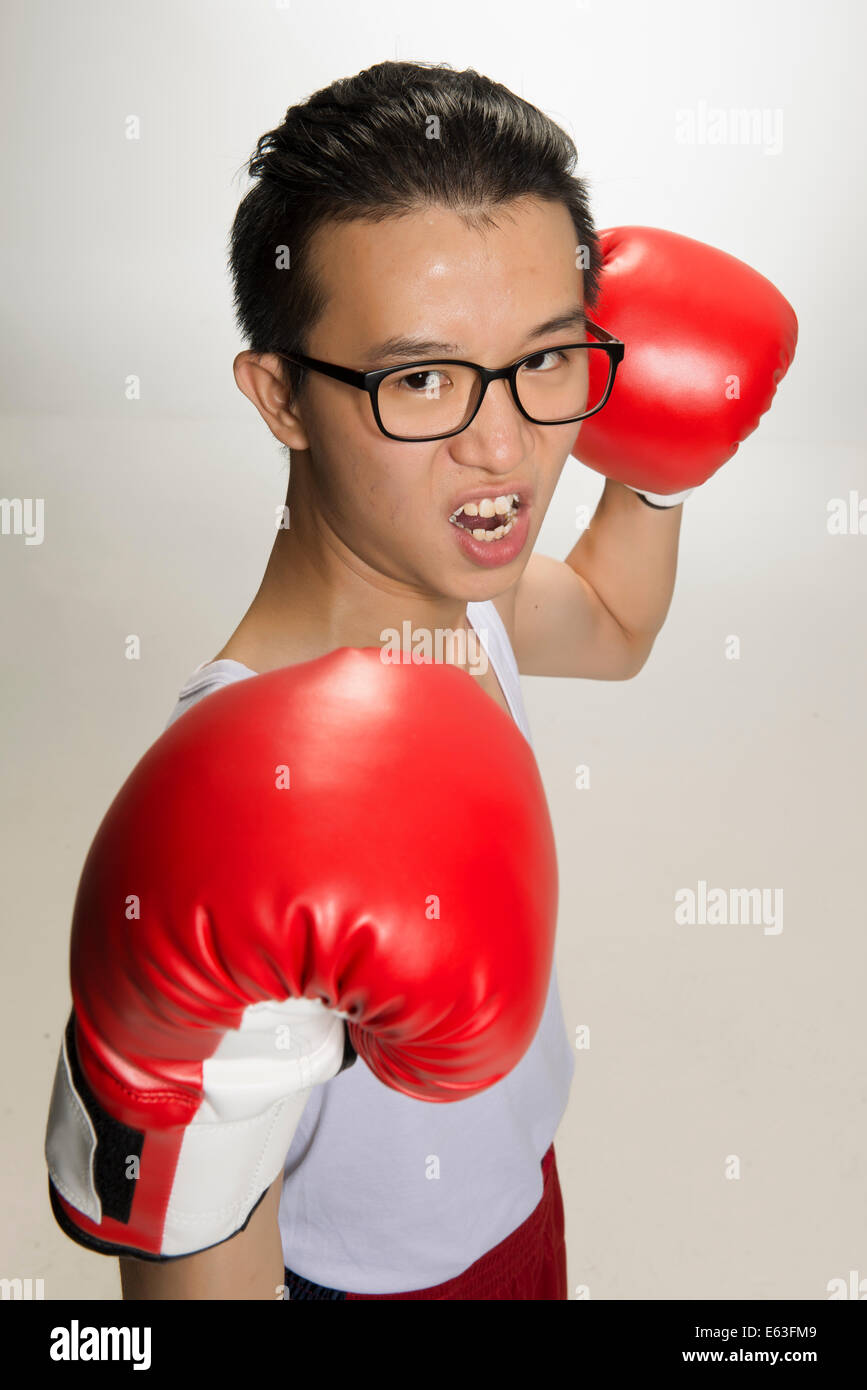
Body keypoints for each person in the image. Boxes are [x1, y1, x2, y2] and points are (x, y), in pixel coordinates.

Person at [50, 58, 796, 1300]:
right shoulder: (246, 797)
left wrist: (655, 474)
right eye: (422, 379)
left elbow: (610, 620)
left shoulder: (456, 585)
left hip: (520, 1209)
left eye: (548, 360)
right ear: (279, 393)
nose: (502, 448)